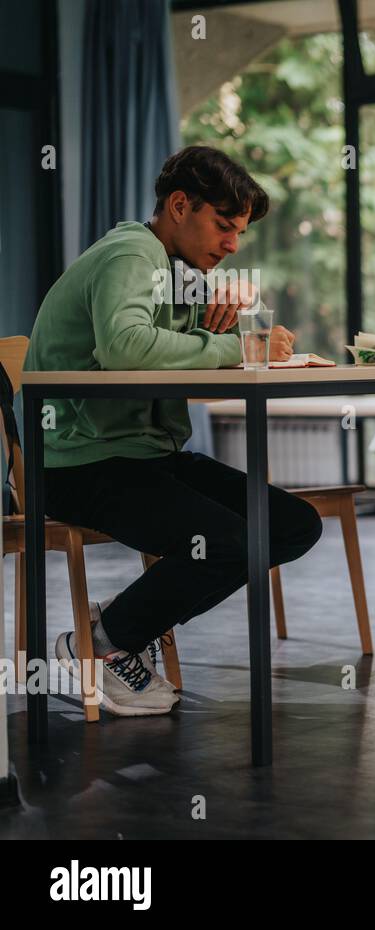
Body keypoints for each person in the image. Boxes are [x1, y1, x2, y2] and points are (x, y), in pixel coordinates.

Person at [26, 145, 323, 716]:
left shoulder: (176, 270)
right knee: (230, 541)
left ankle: (111, 627)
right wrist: (234, 346)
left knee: (290, 526)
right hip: (77, 464)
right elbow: (124, 347)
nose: (233, 245)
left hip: (141, 455)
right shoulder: (131, 253)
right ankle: (101, 646)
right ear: (180, 205)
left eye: (239, 233)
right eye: (223, 226)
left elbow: (175, 352)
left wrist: (223, 312)